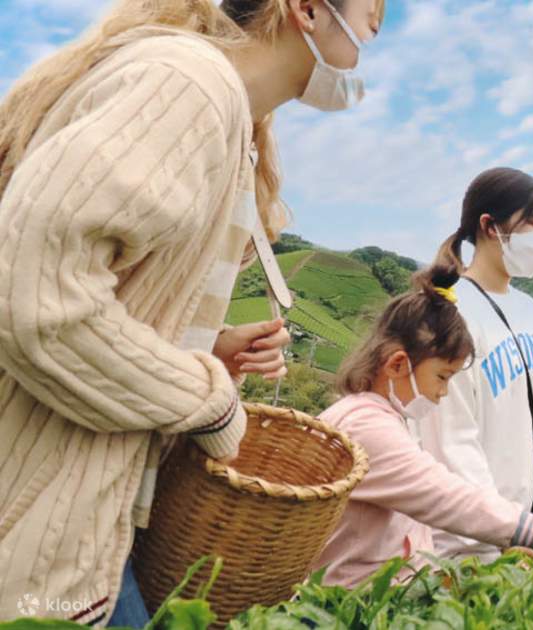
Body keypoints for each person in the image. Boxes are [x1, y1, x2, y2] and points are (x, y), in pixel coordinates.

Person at [0, 0, 385, 624]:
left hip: (85, 521)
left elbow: (100, 303)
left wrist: (205, 349)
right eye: (373, 16)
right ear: (308, 10)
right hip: (39, 520)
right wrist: (208, 397)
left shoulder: (225, 118)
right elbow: (38, 300)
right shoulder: (188, 87)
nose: (371, 39)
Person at [314, 265, 533, 587]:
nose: (443, 393)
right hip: (352, 603)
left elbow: (414, 529)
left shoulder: (385, 418)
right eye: (442, 377)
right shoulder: (365, 427)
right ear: (398, 364)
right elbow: (444, 496)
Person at [415, 167, 533, 561]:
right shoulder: (447, 309)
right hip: (470, 534)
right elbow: (450, 439)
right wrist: (503, 525)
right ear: (490, 225)